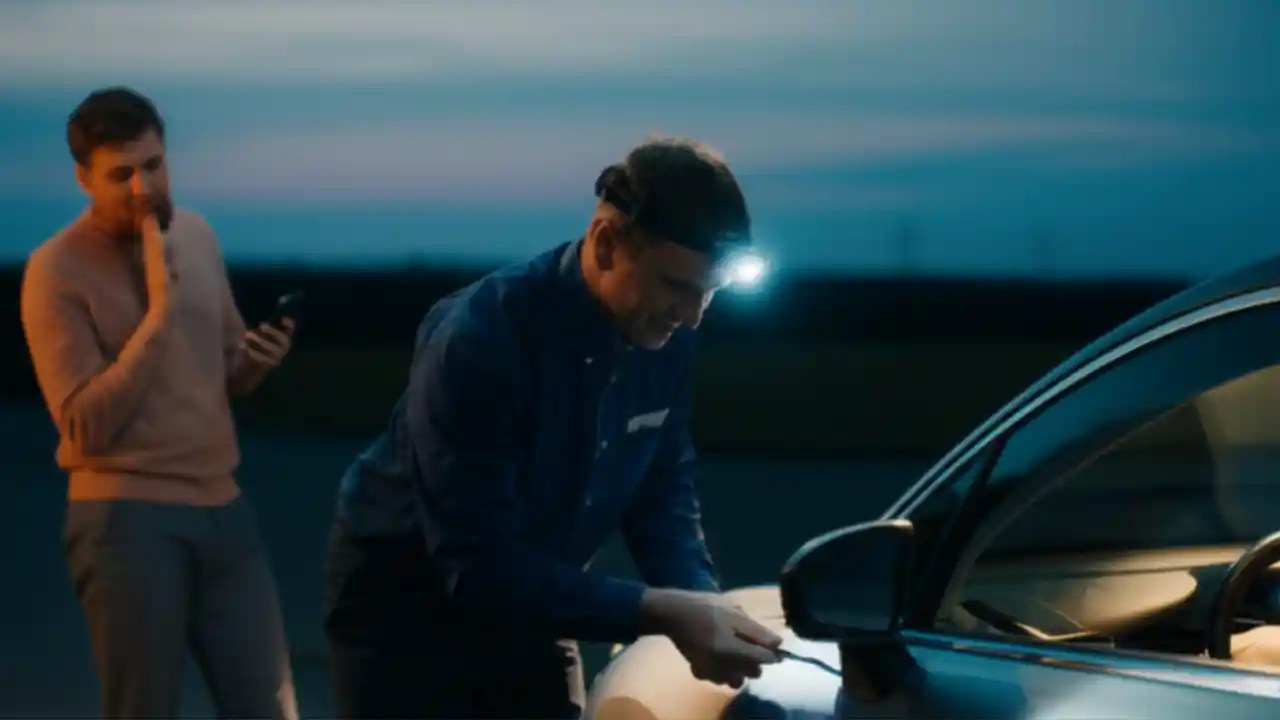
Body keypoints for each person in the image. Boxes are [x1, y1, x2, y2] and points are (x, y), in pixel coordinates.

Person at [324, 136, 783, 719]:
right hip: (406, 612)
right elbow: (477, 566)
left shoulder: (662, 332)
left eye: (710, 292)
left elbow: (661, 489)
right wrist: (660, 611)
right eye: (678, 286)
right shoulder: (482, 338)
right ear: (606, 243)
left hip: (537, 600)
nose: (694, 315)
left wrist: (699, 602)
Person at [19, 86, 299, 719]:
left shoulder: (196, 235)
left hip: (226, 512)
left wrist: (254, 361)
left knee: (272, 708)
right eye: (121, 174)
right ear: (84, 178)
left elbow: (223, 374)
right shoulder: (54, 271)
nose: (143, 187)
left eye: (153, 165)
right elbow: (83, 427)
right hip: (126, 520)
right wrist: (157, 317)